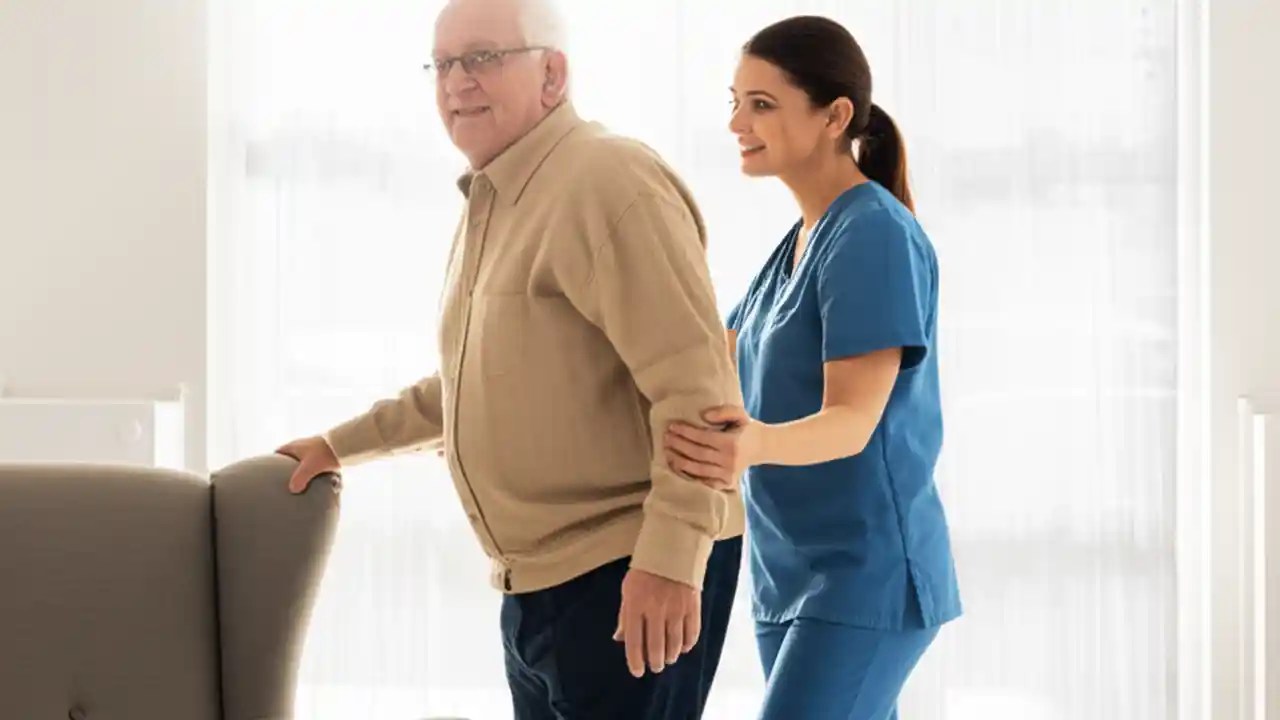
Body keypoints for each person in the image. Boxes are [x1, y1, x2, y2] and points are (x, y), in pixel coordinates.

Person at [276, 0, 744, 717]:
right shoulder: (497, 196)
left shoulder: (608, 180)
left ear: (553, 74)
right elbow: (471, 384)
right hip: (536, 584)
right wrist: (340, 445)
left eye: (484, 58)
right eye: (444, 64)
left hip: (625, 571)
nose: (457, 82)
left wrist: (669, 561)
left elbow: (699, 394)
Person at [662, 16, 962, 720]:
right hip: (788, 572)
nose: (738, 120)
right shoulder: (797, 242)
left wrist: (753, 442)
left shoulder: (872, 233)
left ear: (835, 116)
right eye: (734, 100)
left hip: (866, 576)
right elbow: (708, 355)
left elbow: (853, 420)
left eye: (762, 104)